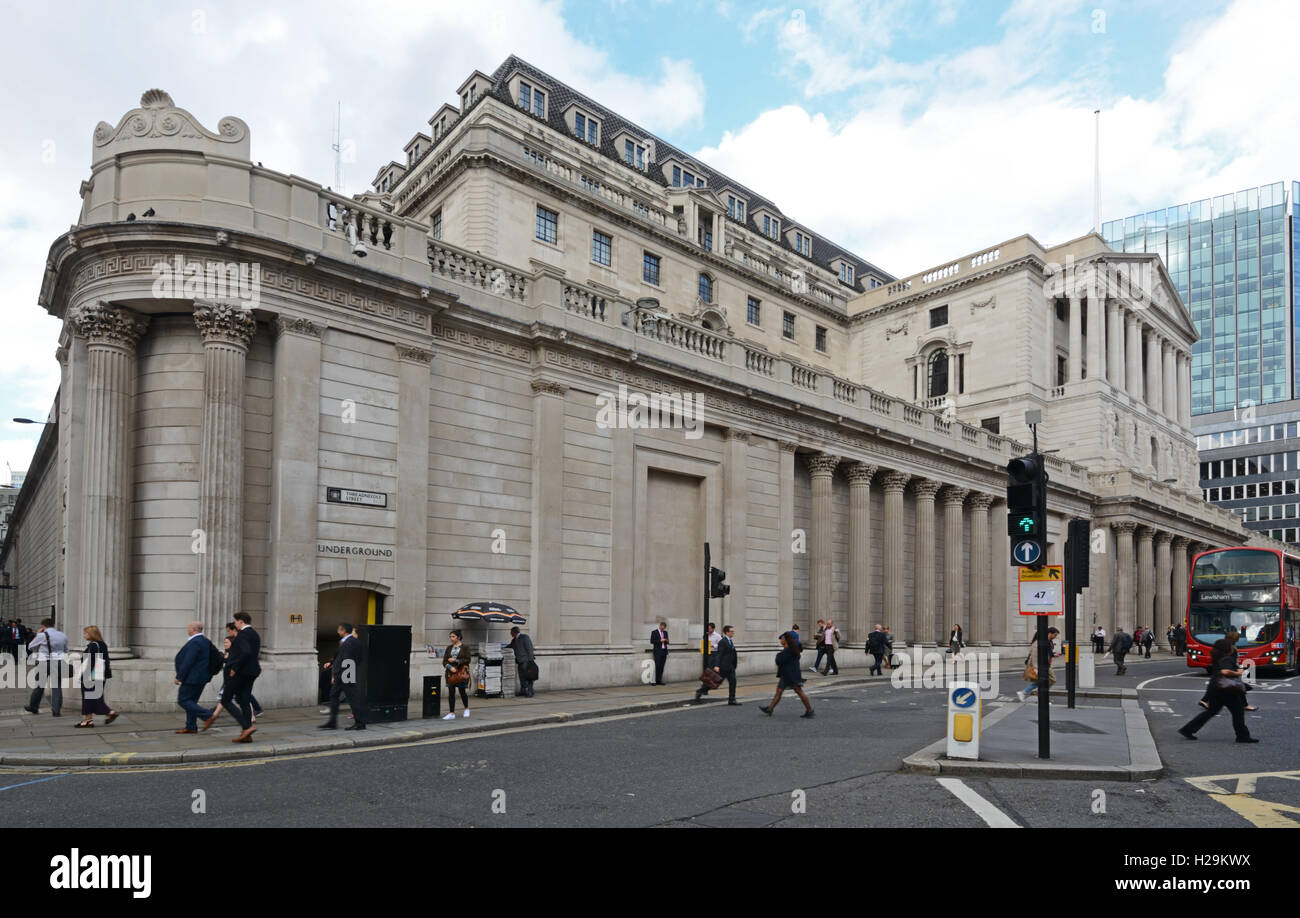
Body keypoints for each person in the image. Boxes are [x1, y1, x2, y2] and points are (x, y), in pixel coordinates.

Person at [1179, 634, 1258, 743]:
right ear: (1227, 648)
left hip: (1215, 687)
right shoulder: (1227, 658)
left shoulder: (1217, 656)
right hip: (1226, 688)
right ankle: (1242, 736)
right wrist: (1238, 672)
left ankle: (1187, 729)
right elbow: (1225, 671)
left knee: (1211, 711)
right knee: (1238, 712)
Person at [206, 611, 260, 742]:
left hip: (240, 673)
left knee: (225, 700)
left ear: (241, 621)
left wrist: (234, 668)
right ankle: (246, 736)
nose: (235, 624)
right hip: (252, 672)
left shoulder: (243, 634)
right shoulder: (254, 634)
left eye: (236, 622)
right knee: (244, 700)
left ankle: (247, 727)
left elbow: (245, 653)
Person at [320, 622, 366, 730]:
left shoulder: (350, 642)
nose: (337, 631)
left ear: (344, 631)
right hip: (343, 674)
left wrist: (338, 675)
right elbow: (340, 657)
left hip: (346, 675)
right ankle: (332, 722)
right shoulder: (347, 642)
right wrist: (331, 663)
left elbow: (347, 659)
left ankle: (360, 723)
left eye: (339, 630)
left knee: (352, 698)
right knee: (333, 696)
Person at [173, 621, 215, 734]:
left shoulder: (195, 642)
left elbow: (188, 661)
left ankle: (208, 715)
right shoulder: (204, 641)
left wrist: (179, 676)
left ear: (193, 629)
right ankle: (191, 726)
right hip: (201, 677)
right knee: (191, 702)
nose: (188, 630)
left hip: (193, 677)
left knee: (183, 700)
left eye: (189, 628)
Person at [760, 632, 814, 718]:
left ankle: (810, 710)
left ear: (786, 640)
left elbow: (779, 661)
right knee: (779, 691)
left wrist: (778, 655)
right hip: (787, 674)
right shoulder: (792, 649)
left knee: (798, 691)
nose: (781, 640)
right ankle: (770, 709)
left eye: (782, 639)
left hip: (791, 675)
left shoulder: (788, 651)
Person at [23, 618, 68, 717]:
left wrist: (37, 635)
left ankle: (34, 706)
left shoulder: (41, 635)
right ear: (53, 624)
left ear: (43, 626)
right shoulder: (62, 635)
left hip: (44, 662)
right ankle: (56, 710)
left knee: (40, 685)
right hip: (58, 662)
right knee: (57, 686)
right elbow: (65, 650)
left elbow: (30, 646)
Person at [75, 626, 118, 727]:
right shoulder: (102, 644)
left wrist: (84, 676)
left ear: (92, 634)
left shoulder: (93, 646)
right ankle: (90, 719)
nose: (84, 635)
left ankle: (92, 719)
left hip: (91, 676)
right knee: (95, 697)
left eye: (86, 633)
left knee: (89, 697)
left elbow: (90, 662)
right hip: (100, 675)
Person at [697, 624, 740, 704]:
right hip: (723, 667)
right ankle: (700, 691)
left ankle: (731, 699)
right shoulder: (722, 642)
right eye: (731, 631)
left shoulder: (730, 641)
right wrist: (717, 665)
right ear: (727, 632)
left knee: (733, 682)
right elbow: (719, 654)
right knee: (715, 682)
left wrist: (734, 664)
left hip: (730, 667)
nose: (733, 633)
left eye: (733, 631)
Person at [1017, 627, 1059, 700]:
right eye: (1055, 635)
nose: (1055, 637)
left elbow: (1047, 652)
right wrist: (1036, 668)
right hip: (1040, 665)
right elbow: (1034, 655)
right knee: (1050, 680)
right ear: (1050, 633)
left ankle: (1029, 692)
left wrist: (1053, 654)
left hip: (1045, 664)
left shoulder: (1048, 641)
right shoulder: (1039, 642)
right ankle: (1032, 693)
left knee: (1045, 681)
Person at [442, 629, 471, 720]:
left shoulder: (465, 647)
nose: (451, 638)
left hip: (461, 673)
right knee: (451, 692)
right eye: (450, 637)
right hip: (450, 674)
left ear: (458, 637)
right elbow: (444, 661)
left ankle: (466, 708)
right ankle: (451, 713)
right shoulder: (449, 648)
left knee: (462, 692)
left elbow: (468, 659)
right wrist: (450, 667)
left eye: (453, 636)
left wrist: (456, 661)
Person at [509, 626, 535, 697]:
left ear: (514, 632)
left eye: (511, 632)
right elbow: (509, 646)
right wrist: (500, 648)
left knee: (528, 677)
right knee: (522, 677)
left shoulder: (525, 637)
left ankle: (530, 692)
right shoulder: (514, 640)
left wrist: (530, 660)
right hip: (519, 661)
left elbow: (530, 649)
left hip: (526, 661)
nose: (510, 634)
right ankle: (523, 691)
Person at [650, 621, 669, 685]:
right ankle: (653, 681)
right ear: (660, 626)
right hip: (657, 652)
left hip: (664, 651)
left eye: (663, 628)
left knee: (661, 667)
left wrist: (666, 640)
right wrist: (660, 640)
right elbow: (652, 641)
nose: (662, 629)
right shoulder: (654, 632)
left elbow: (667, 641)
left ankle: (659, 681)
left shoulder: (665, 632)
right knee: (656, 666)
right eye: (662, 628)